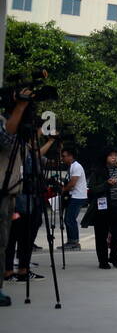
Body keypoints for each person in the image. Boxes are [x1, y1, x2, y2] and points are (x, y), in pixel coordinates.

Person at [0, 87, 34, 306]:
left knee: (2, 243)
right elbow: (6, 139)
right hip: (1, 191)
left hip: (9, 191)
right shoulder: (3, 121)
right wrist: (21, 106)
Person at [4, 134, 53, 284]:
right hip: (21, 196)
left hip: (30, 196)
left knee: (25, 235)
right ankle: (13, 270)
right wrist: (50, 141)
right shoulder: (21, 149)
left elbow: (43, 160)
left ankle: (19, 269)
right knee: (17, 234)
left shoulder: (28, 150)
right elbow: (36, 158)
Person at [86, 147, 117, 269]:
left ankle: (113, 256)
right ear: (105, 157)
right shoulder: (98, 171)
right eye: (111, 155)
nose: (114, 157)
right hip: (103, 206)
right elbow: (92, 189)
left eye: (116, 155)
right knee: (101, 234)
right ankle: (103, 260)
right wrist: (106, 184)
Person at [59, 144, 88, 250]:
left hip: (78, 196)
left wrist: (63, 189)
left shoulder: (76, 166)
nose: (62, 158)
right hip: (74, 196)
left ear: (71, 156)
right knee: (68, 219)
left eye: (64, 156)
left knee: (70, 219)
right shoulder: (71, 166)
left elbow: (72, 183)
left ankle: (74, 242)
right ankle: (71, 241)